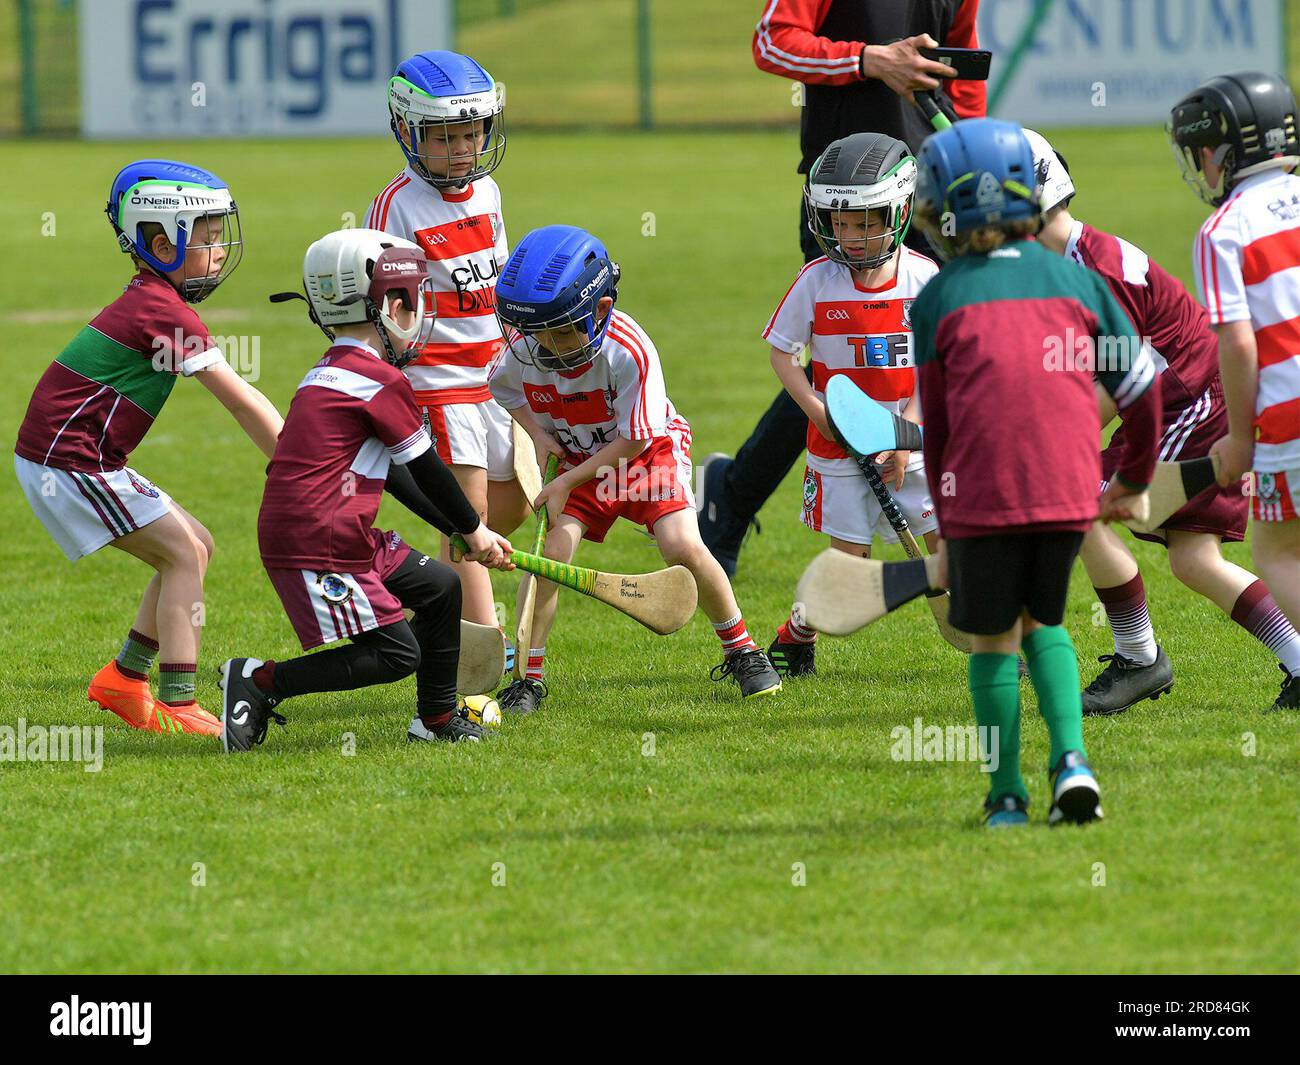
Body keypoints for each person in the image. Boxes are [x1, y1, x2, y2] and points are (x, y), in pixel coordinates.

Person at [910, 119, 1162, 827]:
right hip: (1066, 494)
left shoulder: (938, 296)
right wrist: (1134, 480)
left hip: (983, 498)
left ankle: (1006, 797)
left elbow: (941, 430)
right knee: (1046, 621)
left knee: (994, 642)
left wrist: (946, 527)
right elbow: (1144, 389)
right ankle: (1074, 765)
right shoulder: (1076, 280)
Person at [695, 0, 986, 577]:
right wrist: (869, 60)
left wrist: (972, 171)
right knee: (842, 358)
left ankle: (960, 515)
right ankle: (732, 497)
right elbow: (772, 41)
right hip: (842, 205)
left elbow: (962, 83)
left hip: (927, 198)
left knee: (937, 355)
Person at [1025, 128, 1300, 714]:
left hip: (1188, 399)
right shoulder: (1059, 262)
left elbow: (1127, 378)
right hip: (1184, 397)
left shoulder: (1093, 271)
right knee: (1193, 559)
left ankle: (1138, 657)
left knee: (1072, 500)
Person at [14, 159, 283, 736]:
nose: (218, 250)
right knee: (182, 555)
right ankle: (179, 702)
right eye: (207, 238)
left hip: (80, 457)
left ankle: (122, 678)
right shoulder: (162, 310)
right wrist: (295, 462)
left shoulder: (154, 300)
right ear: (162, 243)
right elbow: (239, 400)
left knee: (198, 545)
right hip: (66, 462)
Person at [219, 229, 515, 753]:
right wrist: (474, 529)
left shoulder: (330, 372)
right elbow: (426, 469)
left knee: (442, 588)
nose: (422, 313)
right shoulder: (378, 382)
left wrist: (460, 530)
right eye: (415, 300)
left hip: (342, 531)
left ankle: (437, 719)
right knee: (397, 654)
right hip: (317, 542)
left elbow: (397, 473)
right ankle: (259, 682)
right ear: (391, 305)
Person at [489, 225, 783, 713]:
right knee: (551, 558)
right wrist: (541, 438)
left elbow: (637, 438)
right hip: (580, 460)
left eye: (561, 331)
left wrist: (566, 479)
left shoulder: (629, 350)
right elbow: (505, 391)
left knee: (681, 545)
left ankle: (743, 651)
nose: (549, 347)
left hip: (646, 455)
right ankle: (528, 678)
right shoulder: (526, 351)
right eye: (535, 332)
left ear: (600, 310)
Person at [366, 50, 529, 661]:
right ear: (408, 132)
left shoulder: (487, 191)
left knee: (506, 509)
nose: (464, 148)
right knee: (471, 516)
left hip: (495, 376)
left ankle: (424, 585)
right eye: (446, 137)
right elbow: (389, 307)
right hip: (437, 384)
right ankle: (487, 647)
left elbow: (503, 280)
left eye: (472, 132)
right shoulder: (397, 207)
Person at [763, 131, 938, 677]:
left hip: (914, 443)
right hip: (839, 451)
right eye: (841, 223)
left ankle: (995, 639)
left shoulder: (924, 278)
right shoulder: (817, 282)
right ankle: (796, 635)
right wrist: (817, 411)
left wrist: (906, 434)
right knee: (850, 564)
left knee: (948, 551)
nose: (853, 237)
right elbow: (783, 355)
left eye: (867, 222)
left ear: (901, 212)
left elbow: (938, 368)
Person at [1168, 71, 1300, 715]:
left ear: (1220, 154)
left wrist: (1241, 437)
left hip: (1288, 417)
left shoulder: (1224, 230)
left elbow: (1239, 345)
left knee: (1278, 553)